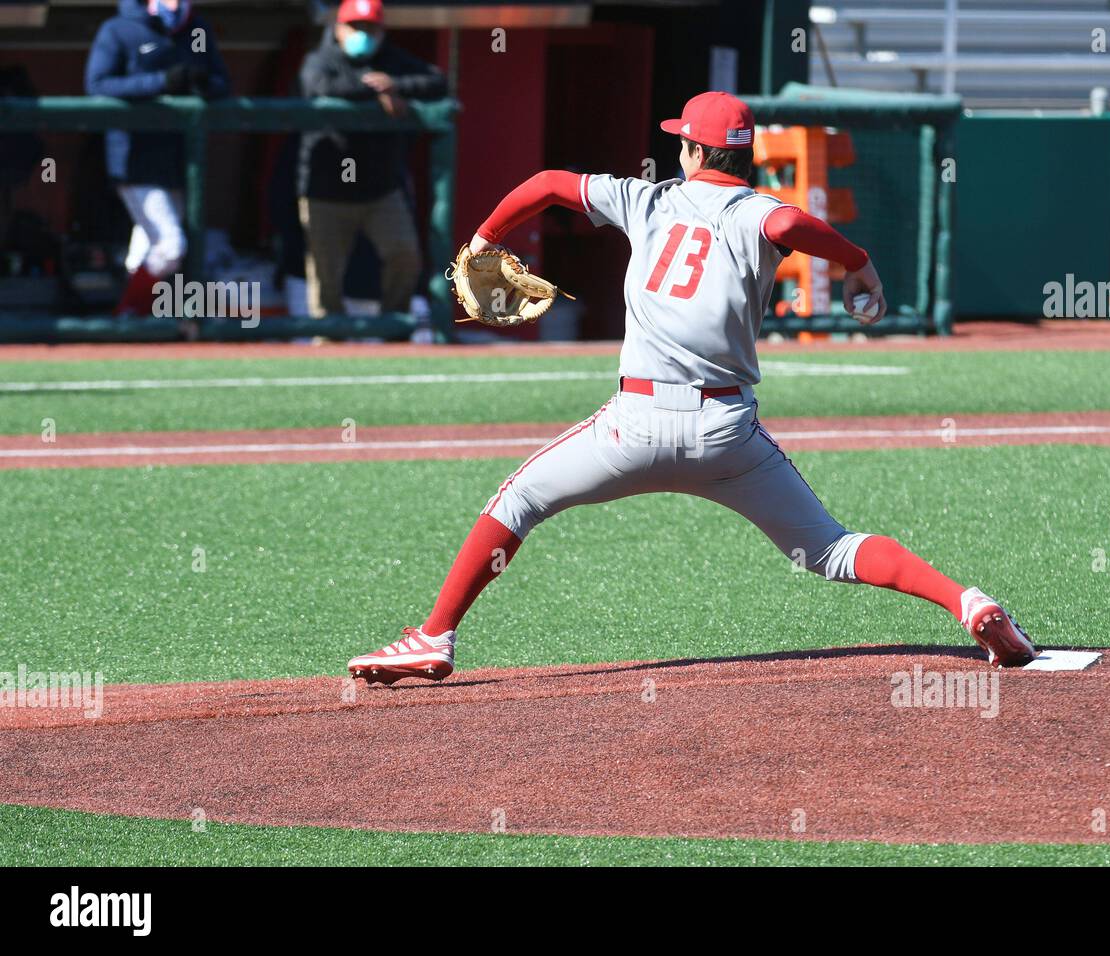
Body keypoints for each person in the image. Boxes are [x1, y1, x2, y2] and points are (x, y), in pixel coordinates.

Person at [347, 91, 1038, 684]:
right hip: (726, 434)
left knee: (520, 499)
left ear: (693, 154)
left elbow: (551, 182)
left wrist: (485, 238)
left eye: (682, 142)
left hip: (636, 425)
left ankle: (435, 636)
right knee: (829, 550)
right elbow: (789, 223)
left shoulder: (645, 200)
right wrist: (858, 262)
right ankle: (967, 601)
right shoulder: (758, 213)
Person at [297, 0, 446, 317]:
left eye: (369, 28)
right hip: (326, 189)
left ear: (381, 30)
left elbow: (436, 82)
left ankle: (393, 329)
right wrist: (373, 91)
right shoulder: (322, 58)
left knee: (405, 255)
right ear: (338, 27)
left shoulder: (391, 60)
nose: (361, 34)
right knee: (326, 278)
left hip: (381, 189)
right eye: (355, 27)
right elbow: (317, 87)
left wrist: (397, 85)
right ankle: (328, 344)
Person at [85, 0, 230, 315]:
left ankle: (146, 324)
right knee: (170, 246)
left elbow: (222, 81)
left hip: (182, 158)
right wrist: (161, 83)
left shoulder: (195, 29)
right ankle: (126, 315)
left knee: (154, 250)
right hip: (135, 158)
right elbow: (97, 85)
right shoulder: (119, 28)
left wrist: (204, 84)